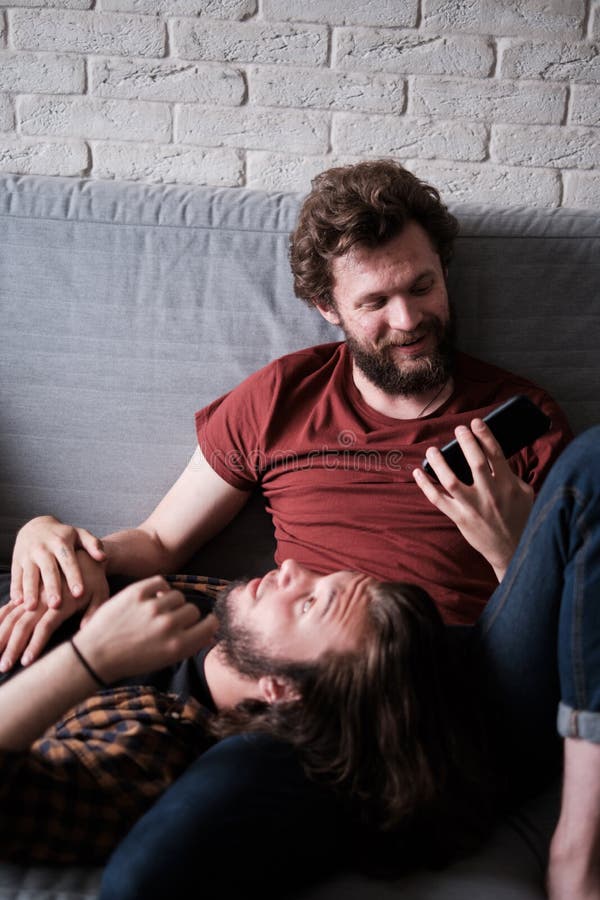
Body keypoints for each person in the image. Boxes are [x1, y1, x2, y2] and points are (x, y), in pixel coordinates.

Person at [0, 159, 575, 893]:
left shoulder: (521, 415)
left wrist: (510, 551)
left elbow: (556, 625)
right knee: (162, 863)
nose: (408, 320)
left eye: (423, 285)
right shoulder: (283, 396)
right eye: (376, 301)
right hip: (306, 686)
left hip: (462, 659)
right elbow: (160, 542)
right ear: (325, 306)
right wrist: (52, 536)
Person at [0, 561, 492, 870]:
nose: (292, 569)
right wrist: (47, 540)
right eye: (320, 580)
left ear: (279, 689)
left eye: (307, 604)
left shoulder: (152, 742)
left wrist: (91, 657)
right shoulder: (230, 620)